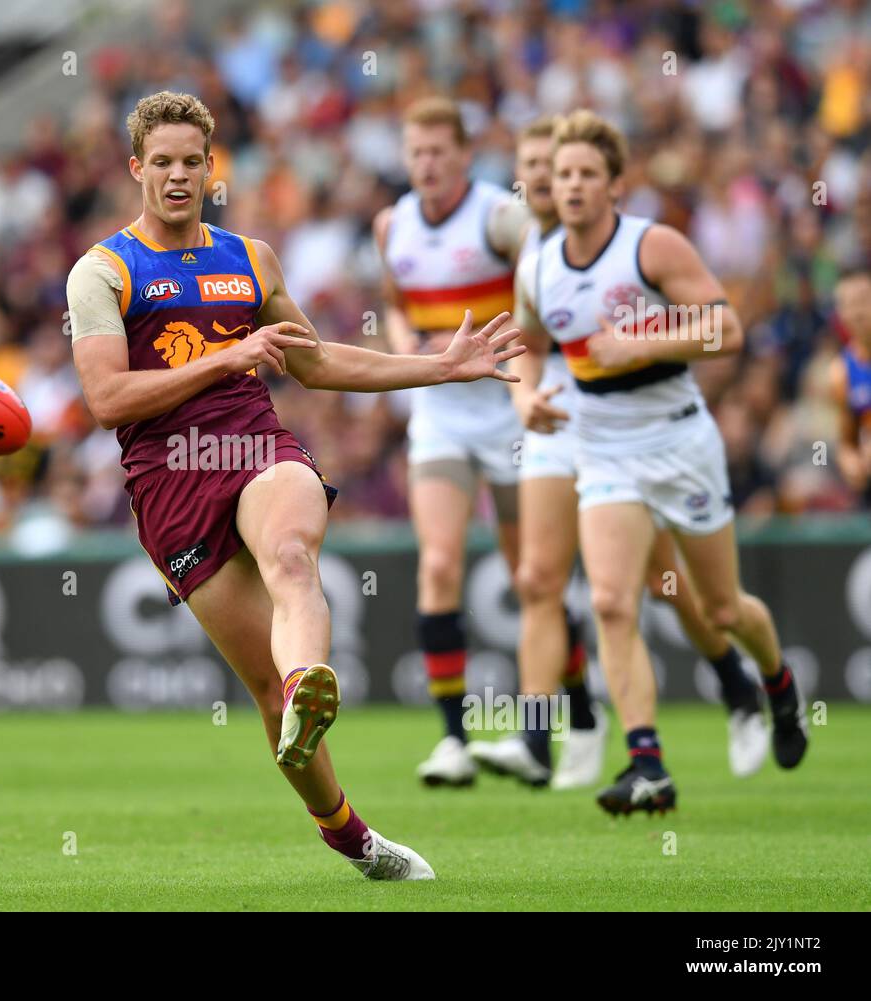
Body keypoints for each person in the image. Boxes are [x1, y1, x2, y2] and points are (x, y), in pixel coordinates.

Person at [67, 91, 523, 878]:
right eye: (163, 163)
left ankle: (313, 676)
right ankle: (349, 833)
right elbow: (107, 399)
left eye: (192, 162)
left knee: (290, 555)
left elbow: (315, 361)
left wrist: (439, 367)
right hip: (169, 479)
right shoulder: (101, 272)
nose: (178, 176)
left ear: (212, 168)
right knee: (269, 702)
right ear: (137, 168)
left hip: (255, 448)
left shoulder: (250, 257)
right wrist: (222, 356)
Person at [511, 110, 807, 815]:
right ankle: (647, 761)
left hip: (678, 443)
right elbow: (526, 346)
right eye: (562, 175)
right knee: (612, 599)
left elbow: (726, 327)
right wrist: (526, 400)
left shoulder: (653, 246)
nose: (572, 186)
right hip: (603, 447)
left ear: (616, 185)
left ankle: (778, 684)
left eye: (588, 174)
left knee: (722, 606)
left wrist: (640, 343)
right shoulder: (539, 265)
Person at [373, 96, 531, 787]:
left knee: (533, 577)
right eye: (416, 153)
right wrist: (414, 350)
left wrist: (507, 355)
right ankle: (454, 741)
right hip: (439, 411)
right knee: (439, 565)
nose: (427, 165)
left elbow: (542, 296)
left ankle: (551, 724)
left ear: (466, 155)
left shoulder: (501, 217)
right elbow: (394, 308)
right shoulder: (392, 225)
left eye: (439, 151)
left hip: (510, 407)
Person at [830, 268, 871, 504]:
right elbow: (840, 442)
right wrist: (849, 462)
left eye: (863, 300)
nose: (856, 312)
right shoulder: (841, 372)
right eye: (846, 304)